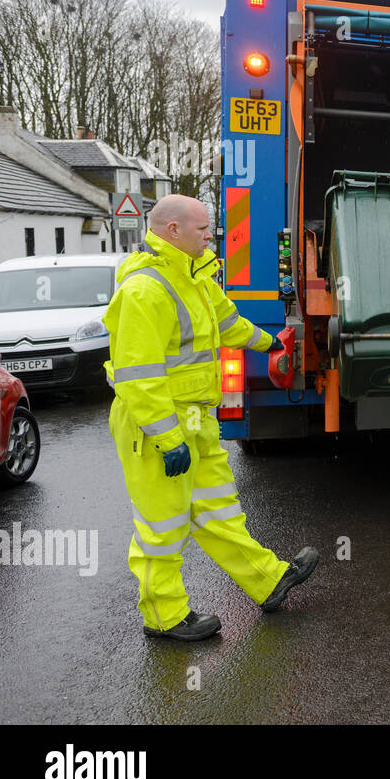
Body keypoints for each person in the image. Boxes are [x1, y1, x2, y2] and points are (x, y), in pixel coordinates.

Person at [103, 194, 318, 641]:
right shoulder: (144, 290)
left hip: (197, 420)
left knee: (220, 512)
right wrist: (167, 438)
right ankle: (165, 616)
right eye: (202, 228)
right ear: (172, 231)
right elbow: (136, 376)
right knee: (161, 526)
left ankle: (268, 579)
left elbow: (228, 324)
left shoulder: (195, 278)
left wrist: (269, 343)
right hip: (158, 425)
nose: (211, 235)